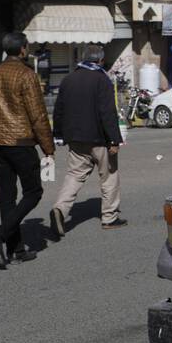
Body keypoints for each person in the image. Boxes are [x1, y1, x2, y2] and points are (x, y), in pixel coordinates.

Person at [0, 32, 55, 266]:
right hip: (19, 142)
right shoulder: (26, 74)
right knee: (33, 192)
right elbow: (38, 114)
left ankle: (16, 249)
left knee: (7, 197)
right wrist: (48, 147)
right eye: (27, 47)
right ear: (22, 49)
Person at [49, 45, 125, 236]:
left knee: (74, 175)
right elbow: (107, 113)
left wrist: (58, 135)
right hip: (100, 139)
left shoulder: (69, 79)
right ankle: (109, 217)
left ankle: (60, 208)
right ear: (99, 60)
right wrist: (114, 140)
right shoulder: (102, 79)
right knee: (109, 176)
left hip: (75, 138)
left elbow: (59, 110)